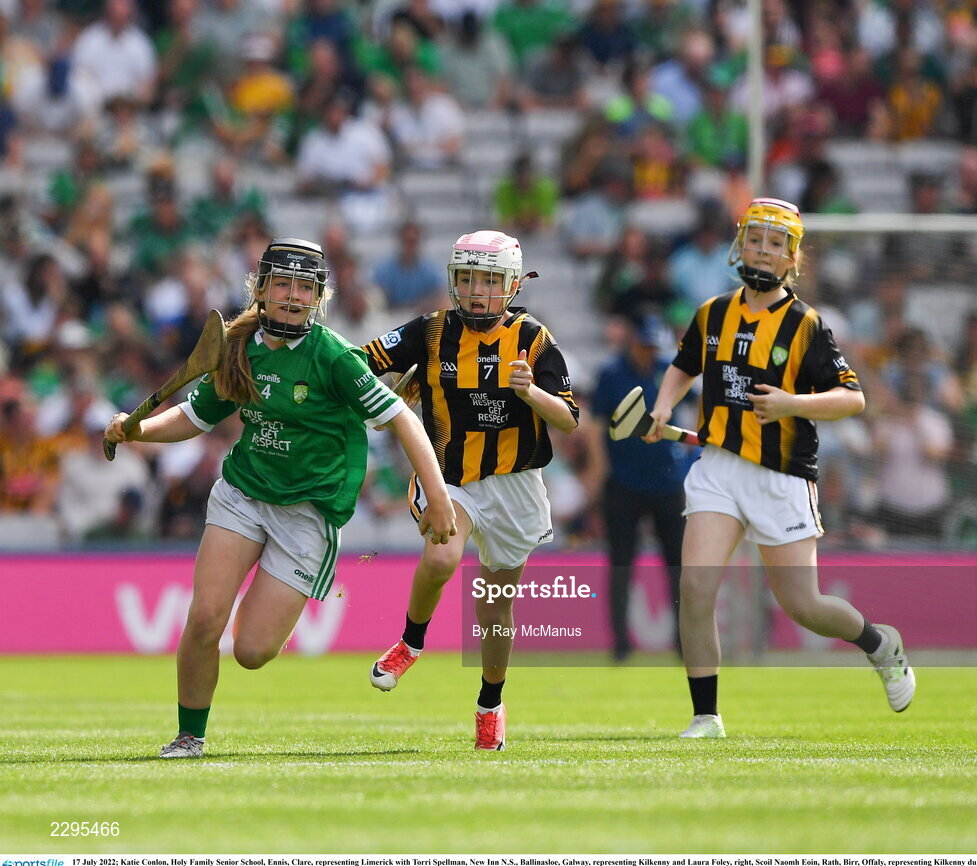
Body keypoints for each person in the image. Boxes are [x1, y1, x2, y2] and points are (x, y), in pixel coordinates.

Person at [103, 238, 457, 759]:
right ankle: (188, 736)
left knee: (251, 651)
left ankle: (265, 616)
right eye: (283, 284)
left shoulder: (334, 357)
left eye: (304, 288)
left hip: (309, 513)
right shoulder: (238, 348)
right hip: (243, 493)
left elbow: (404, 418)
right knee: (205, 618)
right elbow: (194, 418)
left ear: (318, 297)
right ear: (262, 289)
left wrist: (438, 495)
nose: (293, 296)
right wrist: (139, 430)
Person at [643, 198, 915, 739]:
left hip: (782, 475)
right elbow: (683, 365)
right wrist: (663, 405)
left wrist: (793, 404)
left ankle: (880, 644)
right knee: (695, 588)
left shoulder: (806, 325)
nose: (762, 251)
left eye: (775, 244)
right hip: (719, 468)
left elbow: (852, 398)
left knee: (803, 605)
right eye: (754, 240)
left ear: (792, 258)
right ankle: (706, 716)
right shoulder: (712, 312)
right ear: (739, 246)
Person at [361, 230, 579, 750]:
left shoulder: (534, 338)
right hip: (450, 478)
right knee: (441, 558)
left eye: (489, 281)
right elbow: (360, 360)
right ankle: (411, 642)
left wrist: (531, 393)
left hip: (516, 486)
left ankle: (490, 705)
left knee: (494, 610)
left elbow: (569, 419)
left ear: (512, 285)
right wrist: (373, 396)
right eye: (467, 279)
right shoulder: (431, 330)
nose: (477, 291)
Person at [590, 313, 695, 661]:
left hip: (669, 482)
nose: (648, 352)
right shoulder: (611, 373)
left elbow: (695, 403)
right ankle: (621, 644)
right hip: (623, 482)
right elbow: (596, 426)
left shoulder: (669, 370)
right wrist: (601, 471)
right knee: (621, 564)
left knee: (677, 565)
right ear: (631, 340)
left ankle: (683, 641)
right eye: (644, 344)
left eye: (653, 346)